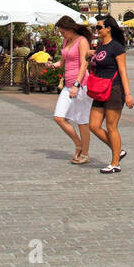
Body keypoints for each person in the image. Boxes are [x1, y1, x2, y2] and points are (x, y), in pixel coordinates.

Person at [86, 16, 132, 173]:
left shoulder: (117, 47)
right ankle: (117, 150)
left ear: (108, 29)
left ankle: (115, 163)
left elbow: (123, 71)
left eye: (99, 28)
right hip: (99, 89)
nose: (96, 30)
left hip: (114, 89)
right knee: (93, 125)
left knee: (111, 126)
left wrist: (128, 94)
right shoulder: (100, 46)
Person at [49, 16, 94, 163]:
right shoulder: (66, 41)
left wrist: (76, 84)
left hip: (80, 85)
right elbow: (63, 62)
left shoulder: (82, 41)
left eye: (63, 32)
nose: (62, 35)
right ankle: (78, 144)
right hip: (68, 85)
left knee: (82, 121)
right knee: (59, 117)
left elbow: (83, 64)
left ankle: (85, 153)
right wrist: (51, 65)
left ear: (70, 29)